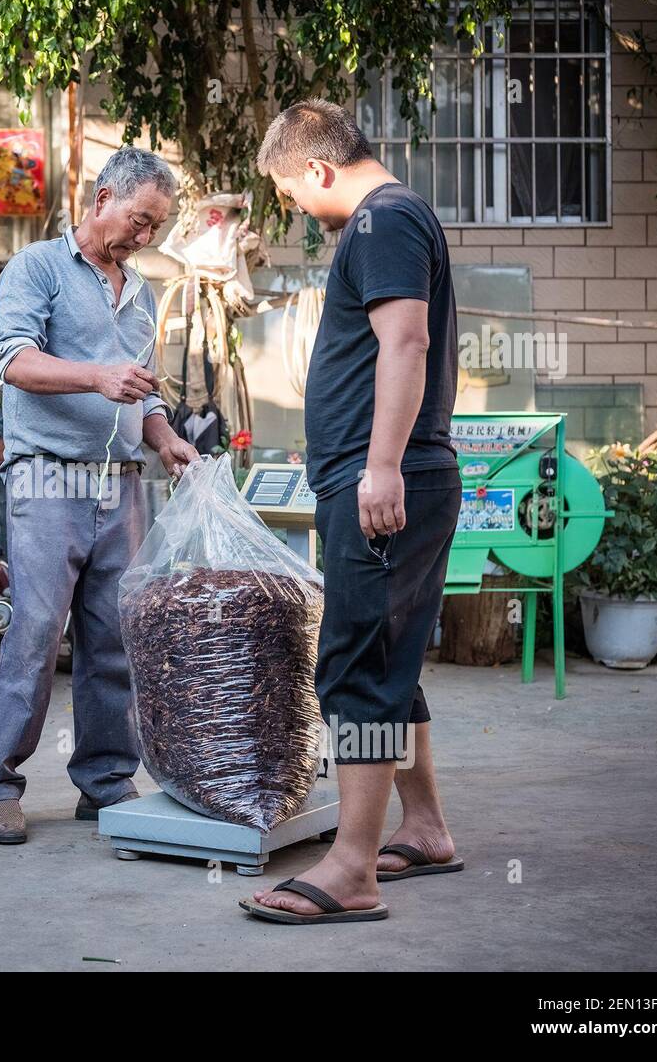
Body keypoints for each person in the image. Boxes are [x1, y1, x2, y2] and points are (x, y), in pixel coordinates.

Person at [242, 99, 464, 924]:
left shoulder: (381, 221)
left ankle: (351, 868)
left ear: (318, 171)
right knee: (389, 662)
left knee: (356, 670)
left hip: (386, 484)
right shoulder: (390, 220)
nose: (297, 208)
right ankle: (428, 827)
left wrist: (377, 468)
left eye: (292, 193)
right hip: (384, 479)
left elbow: (406, 344)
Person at [0, 147, 200, 844]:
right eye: (139, 219)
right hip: (45, 478)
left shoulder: (143, 294)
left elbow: (139, 393)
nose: (145, 237)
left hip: (121, 485)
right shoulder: (36, 268)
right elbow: (11, 360)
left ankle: (104, 782)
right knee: (37, 631)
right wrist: (98, 377)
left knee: (112, 638)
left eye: (156, 228)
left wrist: (163, 436)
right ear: (102, 199)